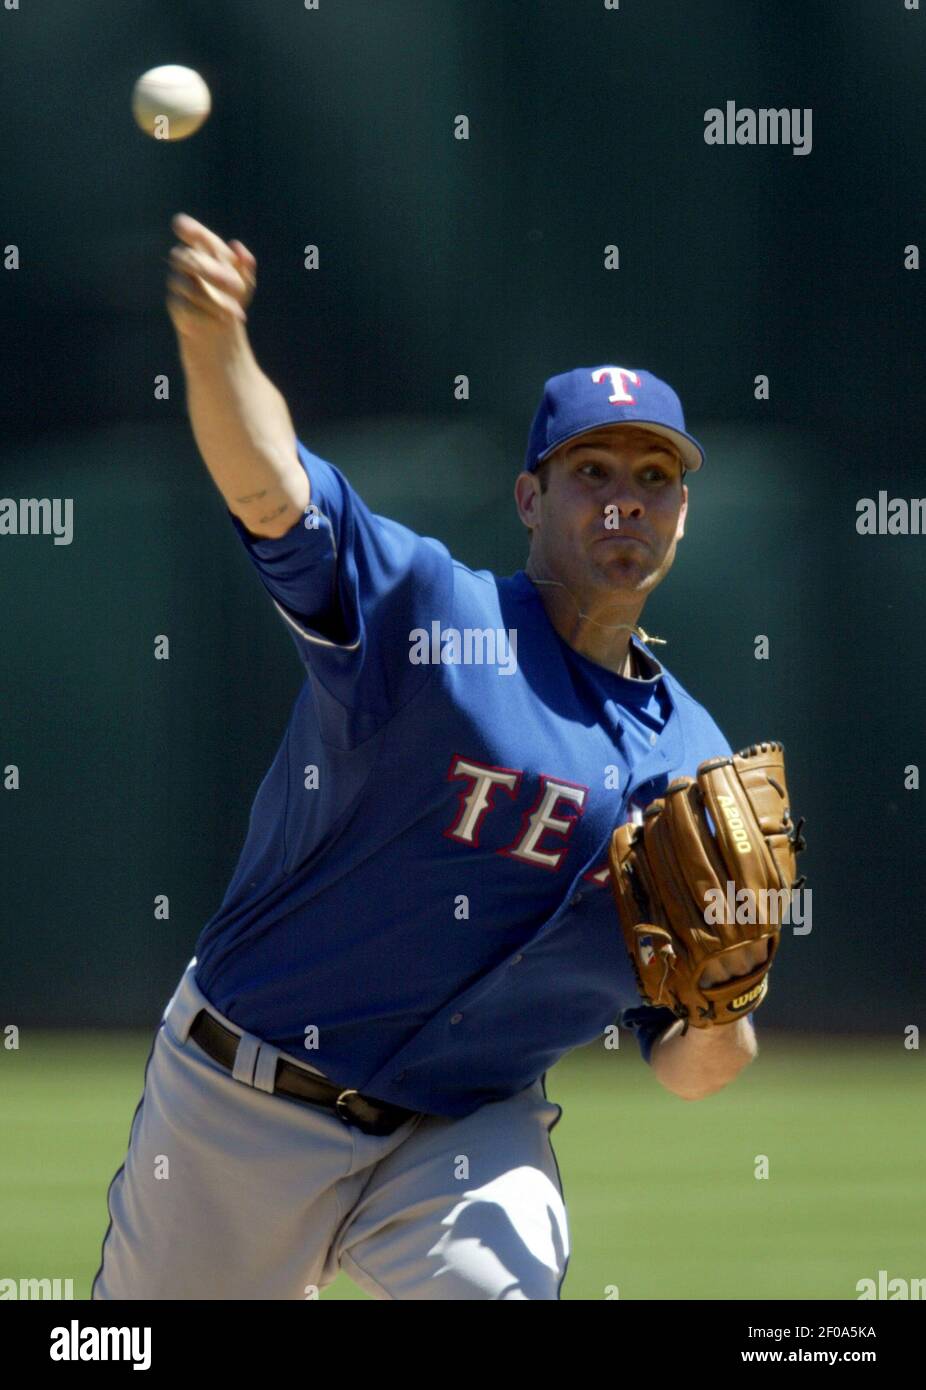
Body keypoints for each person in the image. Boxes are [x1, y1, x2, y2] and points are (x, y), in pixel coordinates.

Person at [92, 214, 764, 1302]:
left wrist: (725, 1008)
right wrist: (217, 343)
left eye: (653, 474)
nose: (623, 498)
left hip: (464, 1137)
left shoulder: (691, 763)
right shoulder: (433, 618)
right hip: (243, 1101)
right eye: (589, 469)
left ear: (681, 512)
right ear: (529, 498)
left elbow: (689, 1068)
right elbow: (271, 489)